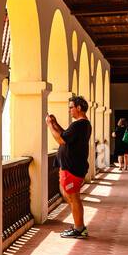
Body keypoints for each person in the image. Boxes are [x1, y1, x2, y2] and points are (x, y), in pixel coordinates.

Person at [47, 95, 93, 239]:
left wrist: (49, 125)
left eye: (71, 107)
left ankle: (79, 229)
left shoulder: (79, 124)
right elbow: (66, 135)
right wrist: (55, 123)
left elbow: (61, 139)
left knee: (73, 197)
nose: (69, 110)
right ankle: (78, 227)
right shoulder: (82, 124)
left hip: (73, 167)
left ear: (79, 108)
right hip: (71, 166)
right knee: (70, 195)